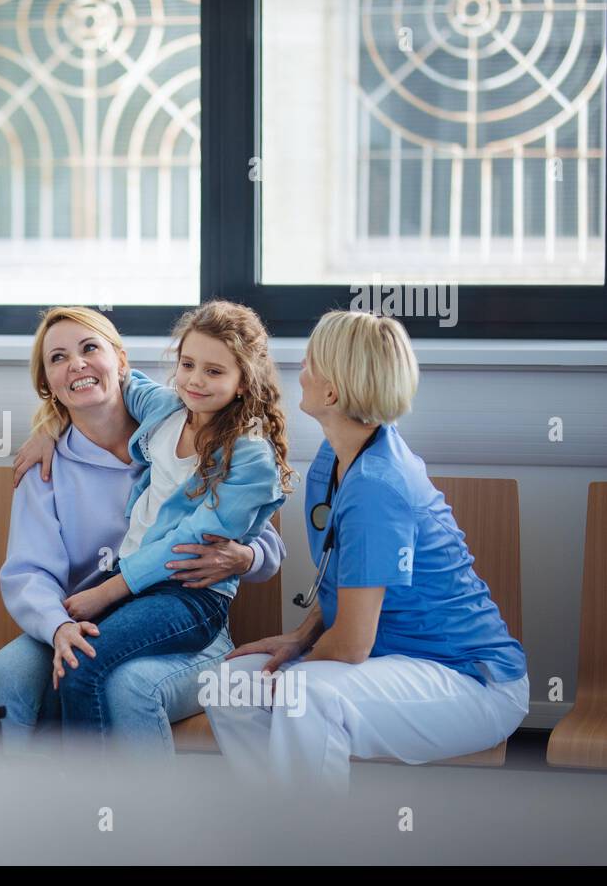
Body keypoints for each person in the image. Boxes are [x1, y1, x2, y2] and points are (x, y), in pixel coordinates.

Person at [205, 310, 529, 793]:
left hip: (470, 681)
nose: (303, 372)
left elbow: (353, 643)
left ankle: (317, 844)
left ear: (332, 392)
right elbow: (345, 585)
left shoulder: (379, 485)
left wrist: (294, 671)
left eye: (311, 362)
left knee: (303, 693)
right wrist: (299, 638)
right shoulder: (332, 464)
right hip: (390, 660)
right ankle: (277, 828)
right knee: (231, 686)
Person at [0, 305, 287, 754]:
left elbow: (248, 532)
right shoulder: (50, 465)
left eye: (90, 348)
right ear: (47, 383)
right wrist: (57, 627)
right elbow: (27, 574)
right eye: (58, 358)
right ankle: (32, 806)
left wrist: (246, 556)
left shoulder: (182, 426)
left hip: (175, 602)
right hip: (84, 614)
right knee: (20, 674)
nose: (76, 363)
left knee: (94, 672)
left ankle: (100, 805)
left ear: (121, 361)